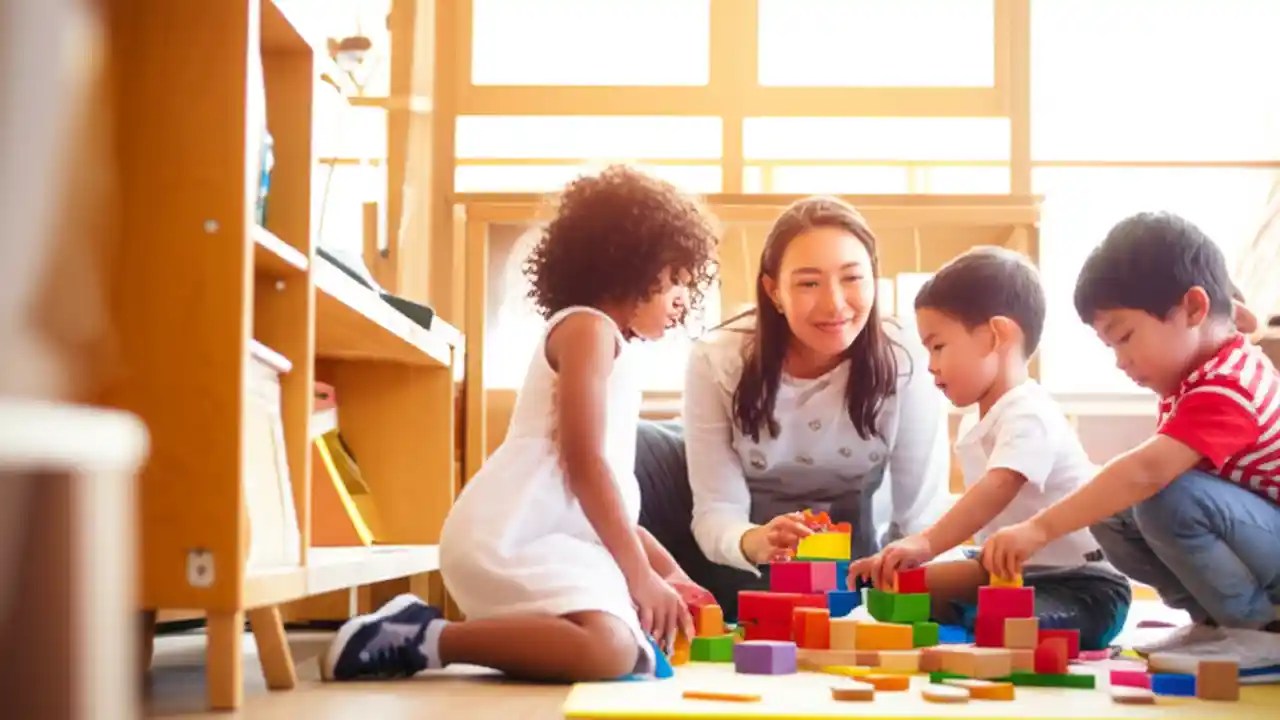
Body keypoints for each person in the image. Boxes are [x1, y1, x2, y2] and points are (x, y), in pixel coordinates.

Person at [321, 165, 719, 682]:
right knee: (611, 651)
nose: (682, 303)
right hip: (509, 537)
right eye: (676, 283)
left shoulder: (610, 346)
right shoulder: (587, 330)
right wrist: (641, 578)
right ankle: (423, 638)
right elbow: (583, 464)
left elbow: (604, 508)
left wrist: (671, 575)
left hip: (550, 540)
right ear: (632, 267)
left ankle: (434, 637)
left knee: (623, 649)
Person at [983, 211, 1280, 676]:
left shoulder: (1229, 386)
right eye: (1111, 347)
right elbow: (1236, 312)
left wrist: (1039, 528)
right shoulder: (1202, 365)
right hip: (1258, 539)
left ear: (1195, 309)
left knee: (1164, 494)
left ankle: (1260, 631)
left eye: (1125, 337)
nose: (1121, 361)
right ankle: (1213, 619)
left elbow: (1148, 471)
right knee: (1115, 504)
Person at [670, 195, 950, 616]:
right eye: (808, 282)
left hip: (865, 567)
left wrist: (910, 601)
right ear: (773, 291)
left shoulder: (905, 357)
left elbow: (920, 517)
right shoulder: (719, 359)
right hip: (742, 566)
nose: (835, 304)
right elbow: (716, 511)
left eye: (853, 278)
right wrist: (756, 541)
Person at [847, 246, 1131, 651]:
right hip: (1003, 573)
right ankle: (965, 619)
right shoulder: (979, 418)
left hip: (1082, 585)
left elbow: (997, 488)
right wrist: (900, 561)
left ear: (996, 336)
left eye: (938, 346)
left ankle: (975, 623)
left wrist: (924, 543)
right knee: (893, 592)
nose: (930, 364)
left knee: (1000, 622)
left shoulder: (1028, 412)